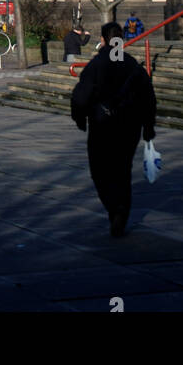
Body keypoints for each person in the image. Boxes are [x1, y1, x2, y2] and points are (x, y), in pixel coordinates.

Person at [70, 21, 156, 237]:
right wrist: (148, 127)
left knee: (100, 170)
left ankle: (113, 207)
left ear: (103, 40)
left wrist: (80, 118)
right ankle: (121, 211)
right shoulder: (133, 66)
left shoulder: (96, 64)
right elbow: (148, 98)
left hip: (102, 126)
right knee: (122, 170)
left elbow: (81, 96)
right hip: (129, 127)